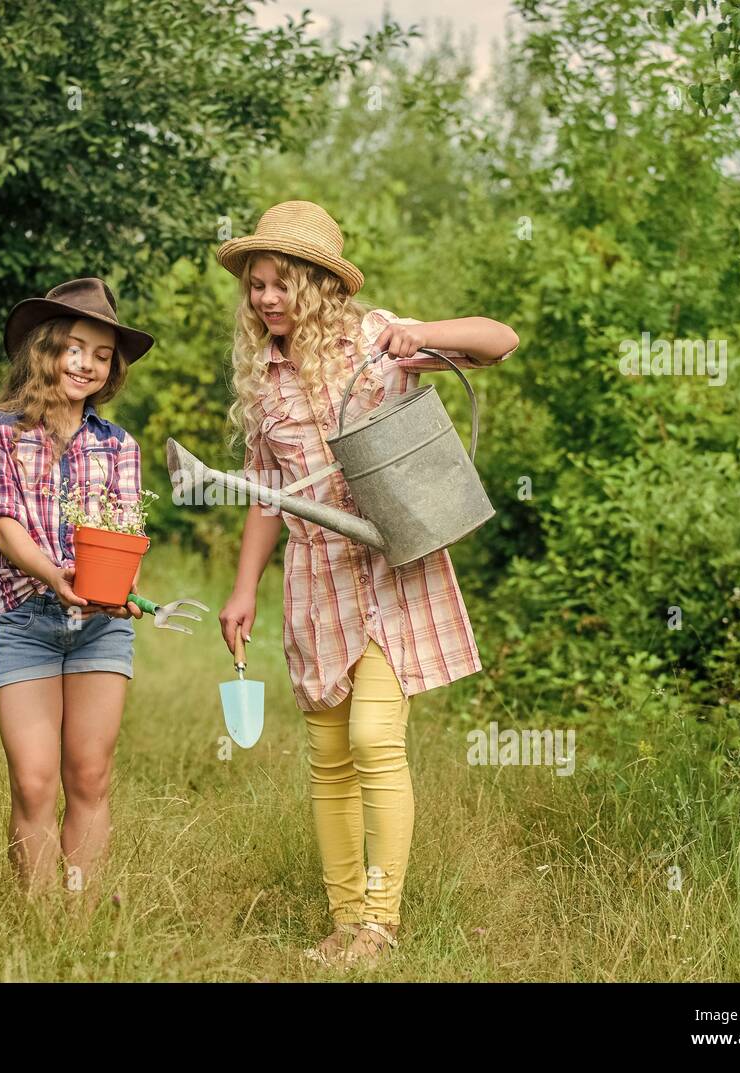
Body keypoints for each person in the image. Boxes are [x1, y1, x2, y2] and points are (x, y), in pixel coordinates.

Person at [215, 201, 519, 966]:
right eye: (256, 286)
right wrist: (244, 588)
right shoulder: (264, 381)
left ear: (317, 284)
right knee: (328, 757)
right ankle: (345, 920)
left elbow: (499, 341)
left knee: (375, 738)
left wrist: (426, 335)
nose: (265, 299)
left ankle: (379, 925)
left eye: (280, 283)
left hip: (390, 564)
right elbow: (265, 491)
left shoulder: (374, 341)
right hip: (317, 578)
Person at [0, 277, 152, 909]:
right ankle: (40, 923)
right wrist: (54, 576)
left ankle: (77, 920)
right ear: (44, 349)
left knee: (90, 776)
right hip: (28, 620)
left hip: (101, 625)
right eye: (75, 348)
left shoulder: (119, 445)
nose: (88, 365)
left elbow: (124, 535)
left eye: (102, 356)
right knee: (34, 782)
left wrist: (123, 591)